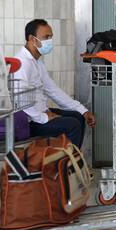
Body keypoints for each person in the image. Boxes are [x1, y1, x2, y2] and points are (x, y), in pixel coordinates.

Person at [16, 18, 95, 148]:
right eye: (46, 37)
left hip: (41, 112)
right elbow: (20, 98)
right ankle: (67, 165)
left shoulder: (37, 62)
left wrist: (83, 110)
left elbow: (53, 90)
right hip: (29, 121)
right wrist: (43, 118)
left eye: (51, 37)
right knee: (72, 125)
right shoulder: (22, 62)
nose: (49, 41)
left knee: (78, 117)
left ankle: (69, 161)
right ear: (32, 39)